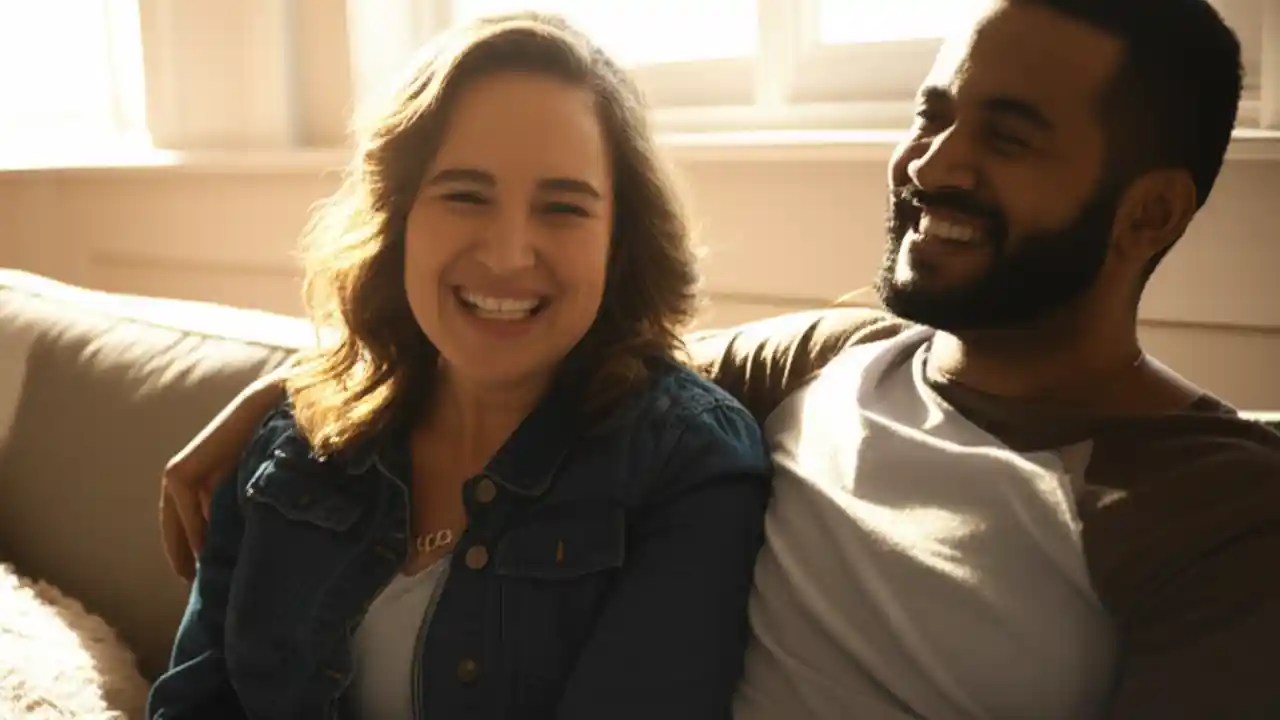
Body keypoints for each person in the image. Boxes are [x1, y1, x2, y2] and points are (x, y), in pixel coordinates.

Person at [160, 0, 1280, 717]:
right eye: (932, 113)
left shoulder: (1213, 505)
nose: (931, 164)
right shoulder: (824, 361)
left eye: (1009, 135)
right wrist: (291, 392)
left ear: (1146, 216)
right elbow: (518, 341)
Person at [147, 13, 773, 720]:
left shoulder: (685, 466)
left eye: (563, 208)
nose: (508, 254)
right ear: (400, 215)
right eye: (465, 195)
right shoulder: (289, 442)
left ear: (618, 244)